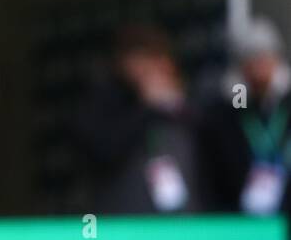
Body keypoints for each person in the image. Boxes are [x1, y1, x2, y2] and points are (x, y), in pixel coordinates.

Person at [73, 25, 200, 215]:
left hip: (183, 223)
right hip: (123, 223)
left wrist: (174, 107)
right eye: (141, 59)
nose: (151, 69)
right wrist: (147, 109)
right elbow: (103, 150)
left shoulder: (186, 106)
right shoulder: (104, 102)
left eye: (157, 59)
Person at [199, 17, 291, 215]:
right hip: (245, 217)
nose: (258, 68)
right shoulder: (228, 113)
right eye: (250, 60)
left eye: (263, 58)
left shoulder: (284, 105)